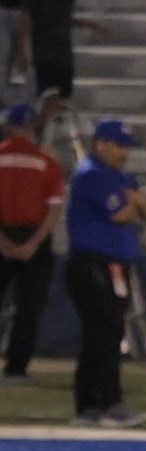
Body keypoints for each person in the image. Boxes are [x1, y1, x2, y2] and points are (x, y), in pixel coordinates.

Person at [65, 117, 146, 427]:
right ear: (101, 143)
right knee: (104, 332)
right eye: (119, 146)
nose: (124, 153)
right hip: (94, 263)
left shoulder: (118, 176)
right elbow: (123, 213)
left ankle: (89, 406)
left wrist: (135, 200)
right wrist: (134, 199)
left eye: (126, 147)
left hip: (113, 263)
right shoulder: (92, 174)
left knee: (104, 333)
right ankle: (108, 403)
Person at [0, 103, 62, 383]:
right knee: (28, 309)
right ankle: (16, 368)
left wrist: (3, 241)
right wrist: (33, 244)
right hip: (35, 237)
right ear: (32, 126)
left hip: (3, 235)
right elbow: (54, 210)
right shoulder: (47, 163)